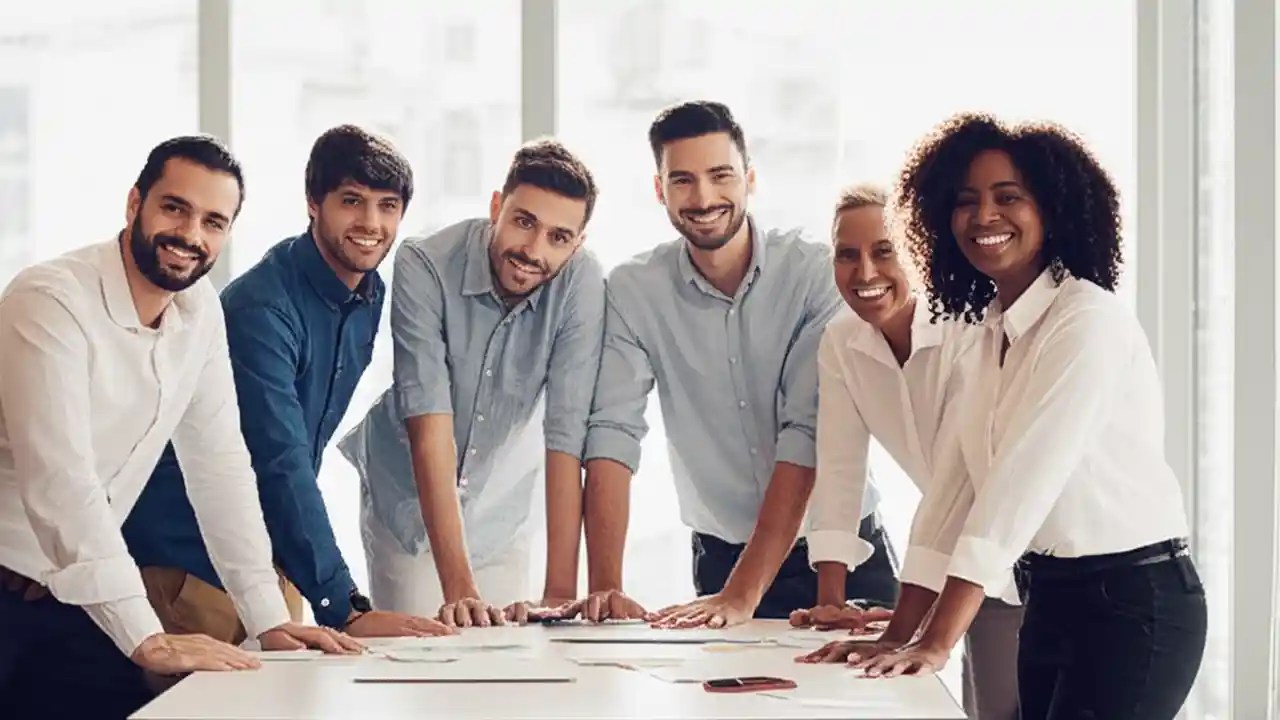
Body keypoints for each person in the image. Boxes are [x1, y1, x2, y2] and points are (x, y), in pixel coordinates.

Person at [859, 113, 1206, 720]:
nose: (984, 216)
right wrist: (898, 634)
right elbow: (956, 489)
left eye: (1008, 197)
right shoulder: (989, 330)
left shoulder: (1087, 320)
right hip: (1047, 595)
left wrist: (938, 642)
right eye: (965, 201)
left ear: (1053, 209)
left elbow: (1021, 483)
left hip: (1136, 601)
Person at [0, 135, 360, 720]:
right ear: (134, 204)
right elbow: (61, 482)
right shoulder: (50, 300)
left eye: (213, 221)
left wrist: (269, 619)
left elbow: (220, 467)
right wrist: (147, 636)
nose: (191, 234)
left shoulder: (199, 312)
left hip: (73, 593)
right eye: (175, 208)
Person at [123, 125, 451, 642]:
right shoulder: (263, 309)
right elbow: (280, 459)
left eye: (387, 206)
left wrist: (315, 588)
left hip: (270, 561)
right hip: (190, 565)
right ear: (313, 203)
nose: (371, 223)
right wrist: (344, 607)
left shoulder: (367, 294)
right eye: (352, 201)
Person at [579, 100, 897, 627]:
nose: (704, 198)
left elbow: (806, 432)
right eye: (682, 180)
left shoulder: (815, 274)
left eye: (720, 175)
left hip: (843, 555)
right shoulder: (634, 291)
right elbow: (614, 430)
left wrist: (743, 594)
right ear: (659, 190)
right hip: (721, 558)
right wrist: (606, 586)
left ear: (749, 178)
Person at [338, 138, 604, 628]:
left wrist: (559, 592)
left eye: (558, 237)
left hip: (502, 511)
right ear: (497, 207)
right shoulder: (425, 263)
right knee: (423, 653)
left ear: (577, 242)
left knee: (503, 661)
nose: (534, 250)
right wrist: (459, 588)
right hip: (410, 508)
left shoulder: (580, 281)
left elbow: (567, 434)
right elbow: (428, 422)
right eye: (524, 222)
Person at [792, 183, 1022, 720]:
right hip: (959, 557)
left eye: (884, 251)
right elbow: (840, 467)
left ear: (918, 249)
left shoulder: (970, 327)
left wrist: (905, 626)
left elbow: (960, 485)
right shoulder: (841, 341)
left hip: (1017, 551)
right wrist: (831, 600)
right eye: (847, 255)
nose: (865, 272)